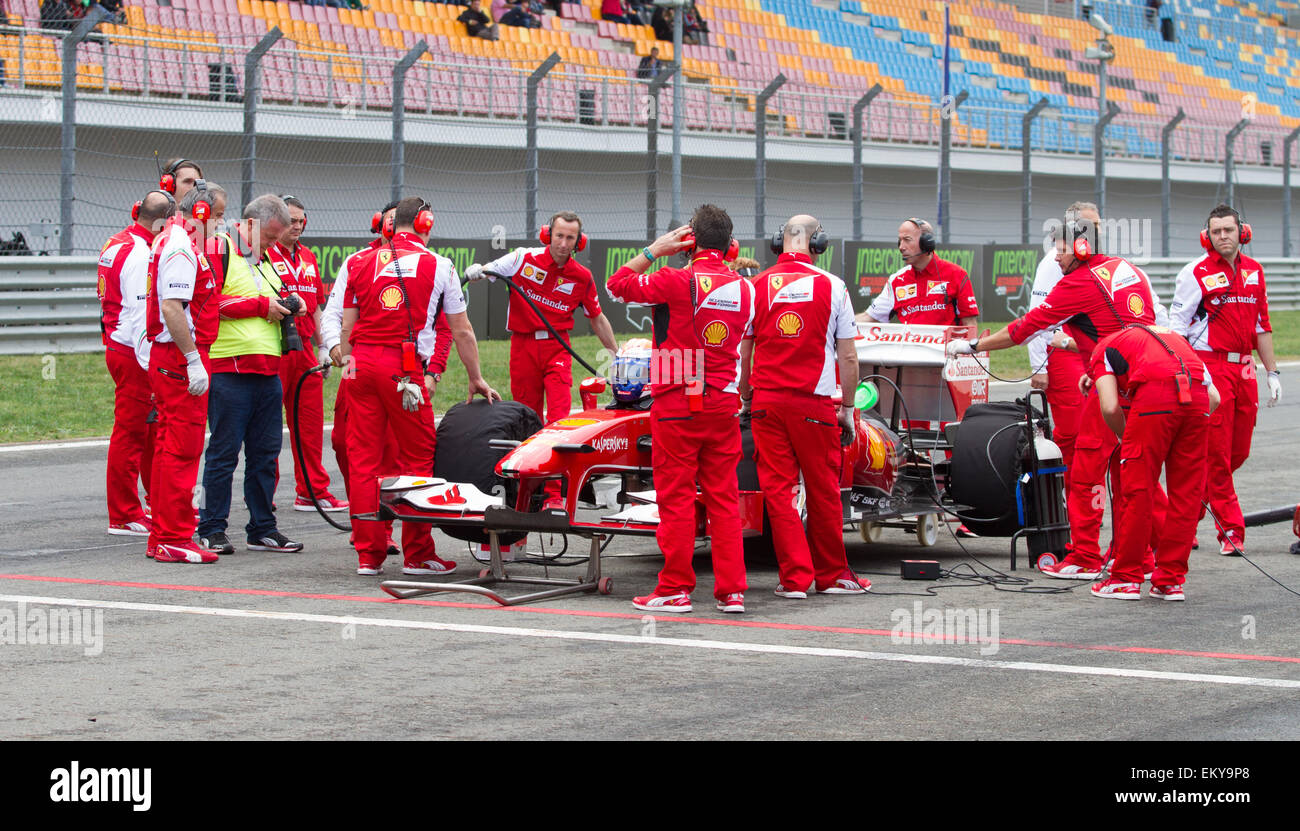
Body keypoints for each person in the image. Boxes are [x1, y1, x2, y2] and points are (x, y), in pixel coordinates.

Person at [946, 215, 1163, 581]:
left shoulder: (1078, 281)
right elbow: (1119, 326)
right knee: (1133, 475)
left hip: (1116, 386)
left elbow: (1023, 330)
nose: (1056, 257)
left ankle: (1085, 556)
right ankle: (1141, 556)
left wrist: (972, 345)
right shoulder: (1128, 269)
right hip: (1143, 381)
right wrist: (1093, 370)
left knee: (1084, 473)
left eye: (1061, 249)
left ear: (1081, 247)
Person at [607, 205, 756, 614]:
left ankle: (674, 588)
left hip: (677, 398)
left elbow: (616, 284)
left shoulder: (674, 278)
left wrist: (655, 249)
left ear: (689, 242)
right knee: (724, 499)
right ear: (731, 245)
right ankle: (732, 592)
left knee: (675, 498)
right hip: (724, 399)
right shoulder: (746, 288)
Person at [340, 197, 500, 576]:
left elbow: (346, 326)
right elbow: (461, 330)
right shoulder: (439, 264)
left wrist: (349, 362)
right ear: (426, 222)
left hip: (360, 364)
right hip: (403, 369)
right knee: (417, 456)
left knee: (363, 458)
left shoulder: (357, 261)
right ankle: (417, 554)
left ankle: (368, 555)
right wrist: (475, 377)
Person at [739, 215, 869, 599]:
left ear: (780, 242)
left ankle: (795, 580)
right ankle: (833, 576)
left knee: (778, 491)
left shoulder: (755, 286)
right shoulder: (834, 286)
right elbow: (849, 358)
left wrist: (746, 398)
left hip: (766, 401)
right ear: (819, 243)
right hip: (814, 404)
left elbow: (743, 353)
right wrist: (847, 407)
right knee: (823, 489)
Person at [196, 194, 307, 557]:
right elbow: (211, 303)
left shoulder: (267, 259)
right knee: (224, 453)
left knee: (265, 453)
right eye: (270, 237)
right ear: (251, 224)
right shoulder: (220, 248)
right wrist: (264, 307)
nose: (274, 245)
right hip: (230, 368)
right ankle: (211, 528)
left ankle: (262, 527)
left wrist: (293, 302)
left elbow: (276, 293)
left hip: (267, 370)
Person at [1169, 204, 1280, 556]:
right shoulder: (1195, 272)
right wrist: (1192, 372)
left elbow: (1262, 326)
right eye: (1216, 232)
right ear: (1208, 236)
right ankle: (1230, 529)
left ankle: (1184, 518)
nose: (1222, 237)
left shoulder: (1255, 272)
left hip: (1245, 368)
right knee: (1216, 453)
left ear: (1241, 233)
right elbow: (1176, 327)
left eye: (1228, 231)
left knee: (1237, 451)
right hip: (1209, 365)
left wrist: (1272, 372)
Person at [1083, 324, 1218, 601]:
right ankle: (1170, 580)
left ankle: (1126, 578)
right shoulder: (1172, 338)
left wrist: (1126, 437)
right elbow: (1214, 397)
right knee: (1187, 495)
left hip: (1156, 398)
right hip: (1198, 398)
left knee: (1137, 489)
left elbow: (1109, 406)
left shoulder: (1102, 350)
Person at [466, 211, 619, 430]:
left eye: (570, 238)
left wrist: (616, 355)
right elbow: (490, 270)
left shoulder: (582, 277)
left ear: (579, 242)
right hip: (523, 346)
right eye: (559, 236)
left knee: (559, 415)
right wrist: (477, 271)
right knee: (526, 414)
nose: (563, 244)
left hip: (557, 348)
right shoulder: (522, 258)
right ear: (548, 234)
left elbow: (597, 318)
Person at [142, 180, 228, 564]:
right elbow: (173, 308)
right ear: (203, 212)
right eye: (220, 215)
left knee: (168, 448)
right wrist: (193, 359)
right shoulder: (180, 246)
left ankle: (165, 533)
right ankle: (174, 535)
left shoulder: (176, 240)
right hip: (180, 358)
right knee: (181, 449)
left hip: (175, 356)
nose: (223, 226)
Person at [267, 195, 347, 514]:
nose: (297, 226)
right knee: (269, 426)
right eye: (291, 220)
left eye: (301, 220)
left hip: (304, 351)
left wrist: (324, 346)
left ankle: (312, 491)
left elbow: (315, 308)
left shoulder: (309, 258)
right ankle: (264, 494)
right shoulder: (263, 256)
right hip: (273, 349)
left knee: (310, 424)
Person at [100, 191, 173, 536]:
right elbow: (139, 314)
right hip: (132, 351)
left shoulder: (119, 240)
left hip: (119, 344)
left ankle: (136, 506)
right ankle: (124, 513)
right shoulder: (141, 253)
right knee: (131, 433)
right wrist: (149, 363)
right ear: (163, 222)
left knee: (140, 431)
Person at [1026, 201, 1098, 487]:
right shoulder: (1054, 262)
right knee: (1073, 432)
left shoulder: (1101, 260)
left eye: (1099, 226)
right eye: (1089, 225)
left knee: (1096, 431)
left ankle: (1087, 492)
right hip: (1061, 354)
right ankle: (1068, 495)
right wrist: (1038, 367)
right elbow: (1035, 317)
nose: (1096, 231)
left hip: (1091, 351)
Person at [858, 218, 979, 327]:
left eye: (907, 240)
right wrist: (841, 324)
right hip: (909, 350)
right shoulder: (896, 280)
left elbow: (970, 323)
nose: (901, 247)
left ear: (927, 243)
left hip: (947, 350)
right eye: (900, 241)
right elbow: (870, 317)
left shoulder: (956, 274)